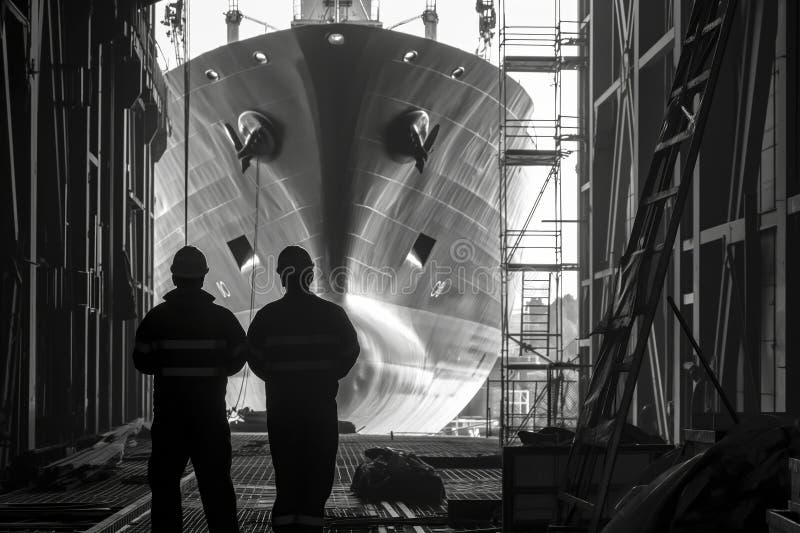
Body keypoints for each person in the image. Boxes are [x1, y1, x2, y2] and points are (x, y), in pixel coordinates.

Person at [132, 245, 246, 533]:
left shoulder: (156, 318)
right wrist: (216, 369)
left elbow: (141, 361)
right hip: (210, 419)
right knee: (216, 486)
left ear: (174, 278)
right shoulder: (223, 319)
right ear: (203, 277)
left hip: (170, 419)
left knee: (165, 487)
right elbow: (239, 356)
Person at [247, 245, 360, 533]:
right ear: (310, 275)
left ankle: (285, 527)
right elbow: (351, 350)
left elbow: (254, 356)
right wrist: (330, 375)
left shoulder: (267, 316)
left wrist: (275, 378)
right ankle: (310, 527)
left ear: (281, 277)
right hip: (320, 407)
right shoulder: (333, 314)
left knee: (287, 472)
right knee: (318, 472)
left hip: (282, 408)